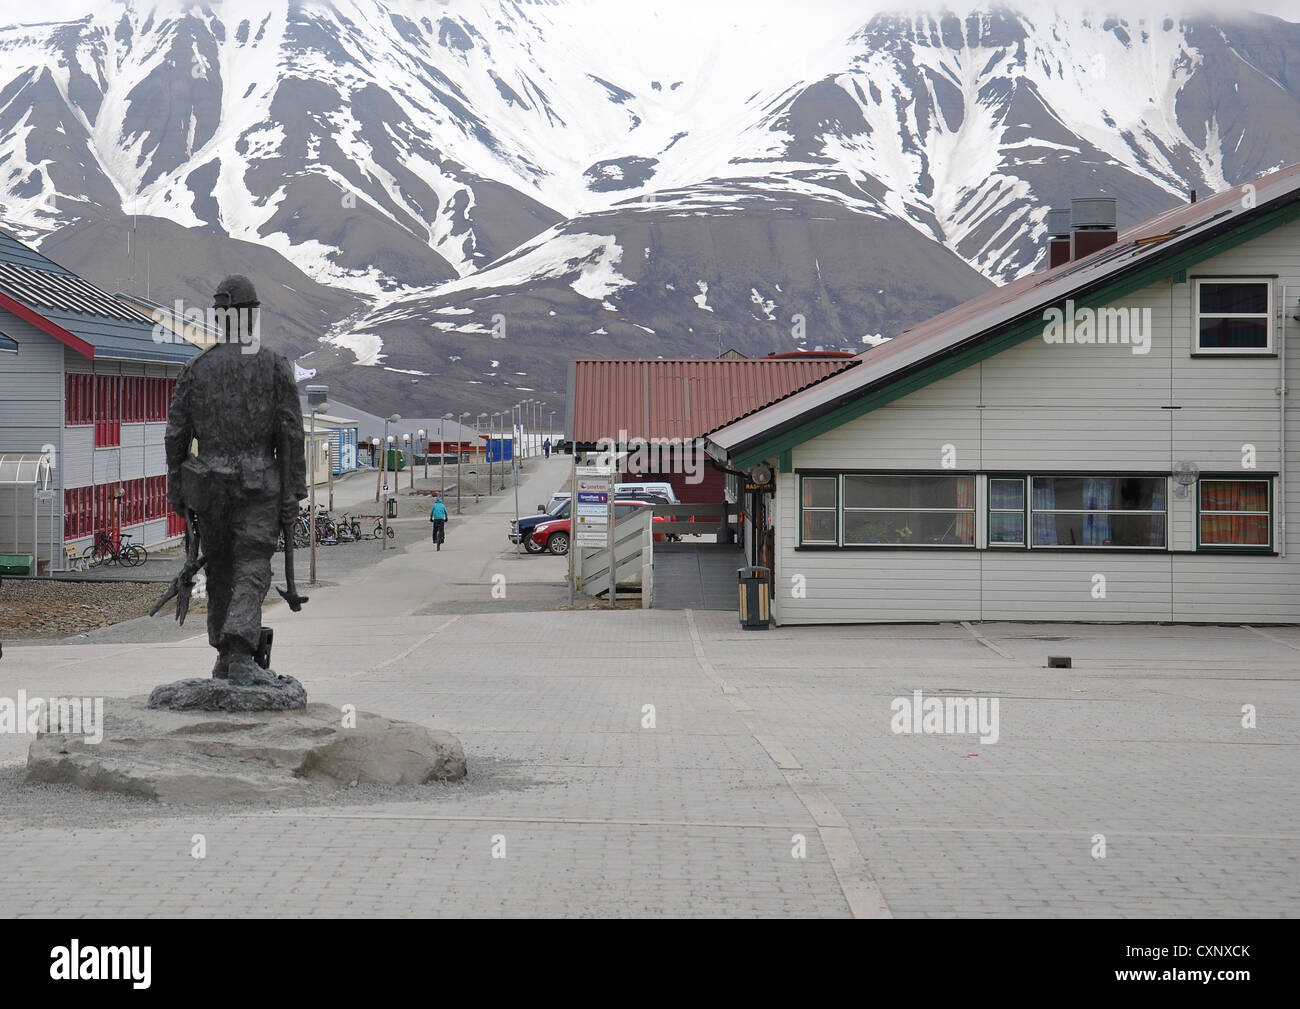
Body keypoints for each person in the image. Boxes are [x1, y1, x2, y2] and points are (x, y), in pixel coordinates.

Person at [164, 274, 307, 686]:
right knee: (252, 567)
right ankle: (239, 653)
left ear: (221, 316)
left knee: (222, 570)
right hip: (259, 486)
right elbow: (291, 435)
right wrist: (293, 490)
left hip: (210, 489)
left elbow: (177, 435)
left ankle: (225, 656)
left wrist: (178, 490)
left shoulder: (196, 369)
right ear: (252, 315)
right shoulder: (275, 366)